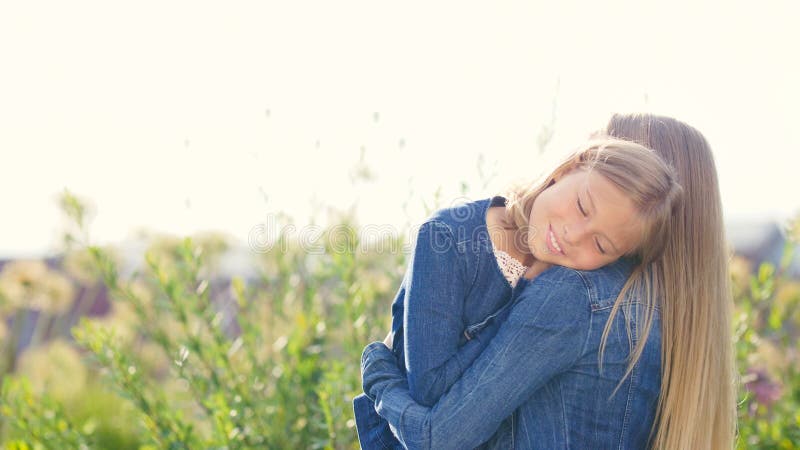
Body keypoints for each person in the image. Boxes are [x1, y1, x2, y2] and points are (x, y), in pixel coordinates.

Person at [359, 113, 737, 449]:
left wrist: (378, 368)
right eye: (583, 205)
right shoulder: (659, 325)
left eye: (602, 242)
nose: (574, 235)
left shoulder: (574, 292)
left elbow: (436, 436)